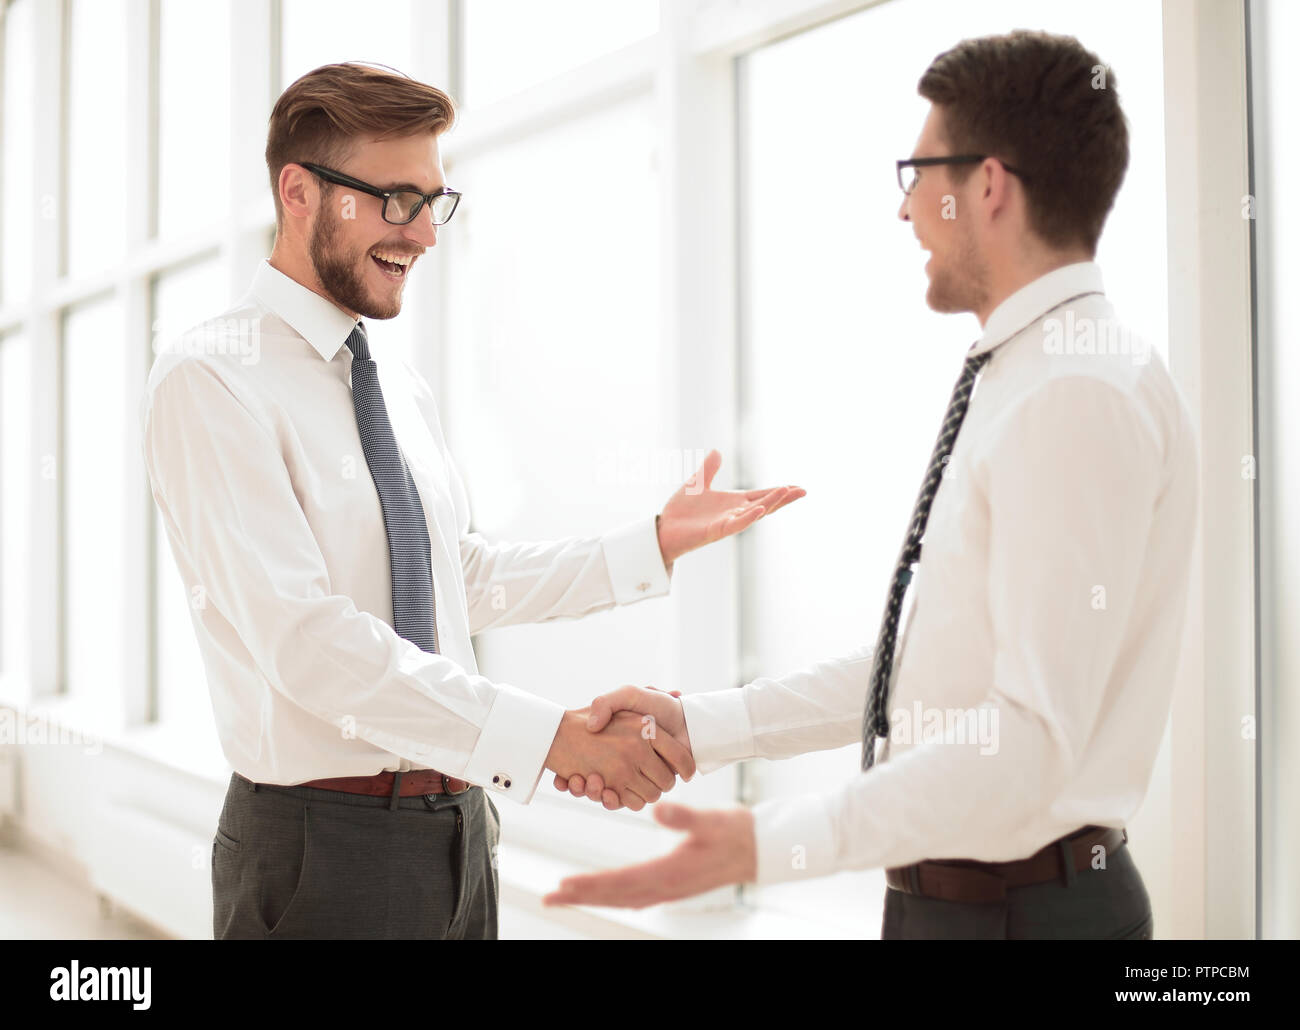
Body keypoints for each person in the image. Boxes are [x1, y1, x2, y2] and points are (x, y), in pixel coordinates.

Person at [545, 29, 1198, 940]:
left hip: (1016, 917)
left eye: (917, 173)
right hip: (977, 906)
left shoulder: (1075, 391)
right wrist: (703, 727)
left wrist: (766, 847)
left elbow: (1027, 741)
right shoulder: (1033, 374)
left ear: (989, 185)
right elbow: (937, 680)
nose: (904, 211)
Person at [139, 61, 803, 940]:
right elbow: (308, 645)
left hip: (461, 826)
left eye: (434, 201)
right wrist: (549, 737)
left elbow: (456, 578)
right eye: (394, 199)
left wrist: (648, 545)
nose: (423, 235)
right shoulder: (211, 377)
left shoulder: (397, 385)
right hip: (321, 848)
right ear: (298, 191)